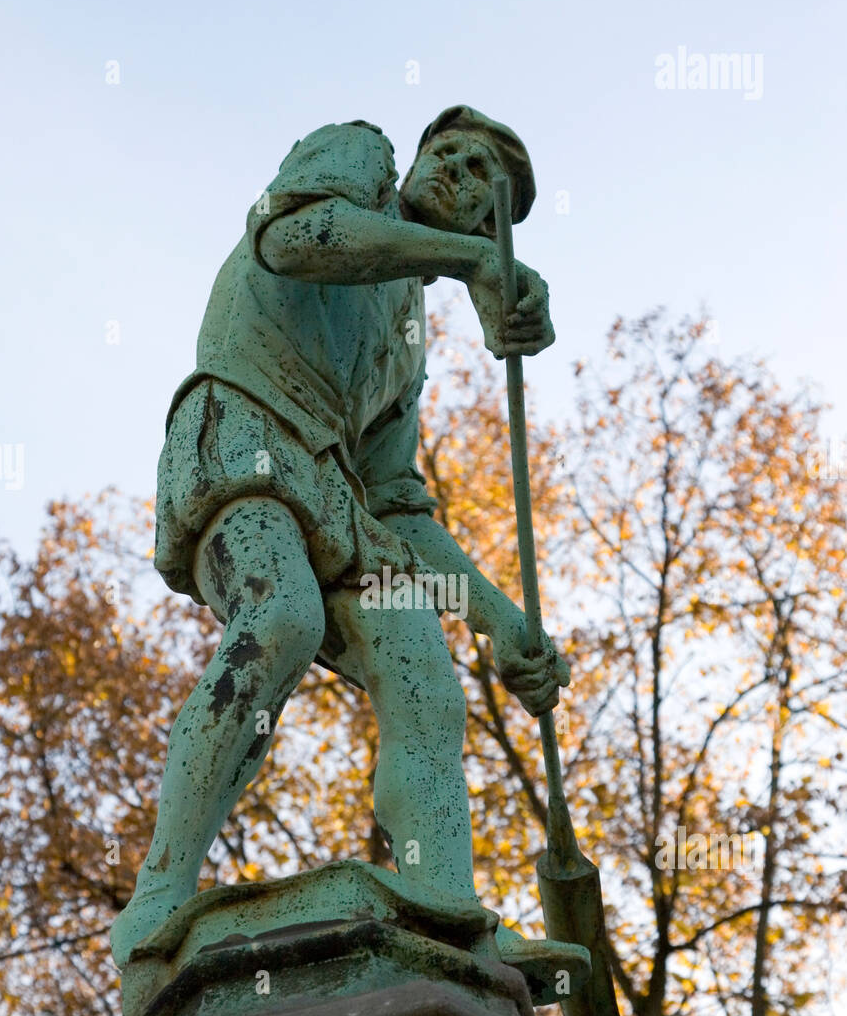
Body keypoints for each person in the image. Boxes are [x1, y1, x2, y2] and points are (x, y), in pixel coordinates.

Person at [111, 105, 569, 968]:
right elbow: (297, 239)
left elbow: (396, 504)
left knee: (428, 682)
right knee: (281, 619)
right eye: (451, 154)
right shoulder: (359, 156)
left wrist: (504, 623)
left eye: (482, 186)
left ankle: (443, 907)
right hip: (244, 432)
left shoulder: (408, 345)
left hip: (342, 505)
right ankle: (159, 897)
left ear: (488, 220)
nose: (457, 173)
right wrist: (476, 262)